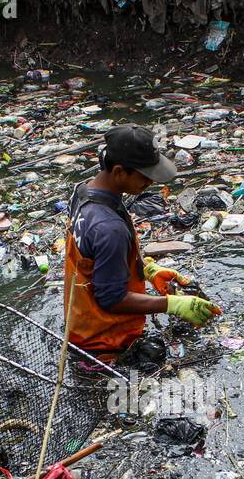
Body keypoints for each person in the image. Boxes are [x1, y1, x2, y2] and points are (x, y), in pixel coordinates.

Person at [64, 124, 220, 366]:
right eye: (145, 176)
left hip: (80, 325)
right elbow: (112, 299)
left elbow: (93, 259)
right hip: (104, 344)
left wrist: (145, 269)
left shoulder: (84, 192)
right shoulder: (109, 227)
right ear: (119, 171)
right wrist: (173, 304)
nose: (151, 183)